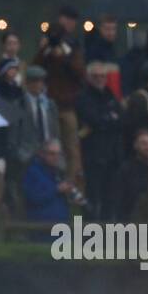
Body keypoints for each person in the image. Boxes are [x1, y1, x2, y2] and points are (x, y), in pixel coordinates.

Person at [32, 23, 86, 187]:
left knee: (71, 147)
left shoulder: (71, 52)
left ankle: (72, 182)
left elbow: (80, 73)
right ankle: (50, 179)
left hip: (68, 106)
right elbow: (35, 69)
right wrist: (44, 50)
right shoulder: (46, 53)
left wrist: (63, 57)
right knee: (49, 145)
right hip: (49, 107)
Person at [76, 62, 125, 220]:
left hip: (112, 156)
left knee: (110, 199)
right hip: (93, 156)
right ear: (88, 77)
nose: (99, 79)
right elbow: (94, 120)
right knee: (93, 198)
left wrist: (107, 119)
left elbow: (121, 120)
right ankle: (89, 237)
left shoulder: (110, 95)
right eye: (95, 76)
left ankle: (107, 238)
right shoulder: (84, 97)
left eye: (102, 76)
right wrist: (109, 118)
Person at [22, 139, 73, 223]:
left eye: (58, 154)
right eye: (52, 154)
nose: (56, 157)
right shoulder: (32, 172)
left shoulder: (58, 173)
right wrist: (57, 189)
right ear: (42, 154)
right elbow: (32, 197)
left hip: (61, 226)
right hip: (41, 227)